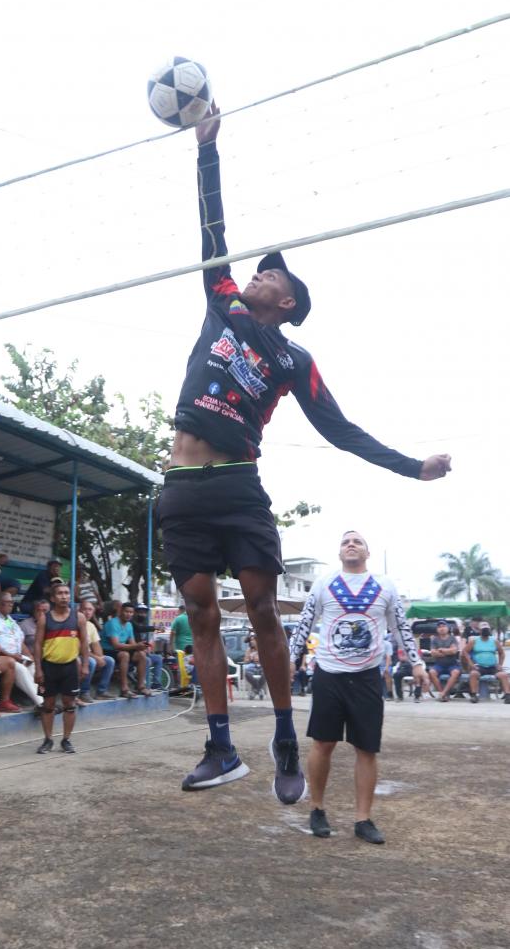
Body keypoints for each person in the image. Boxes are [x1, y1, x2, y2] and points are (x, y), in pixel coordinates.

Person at [154, 103, 451, 799]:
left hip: (237, 483)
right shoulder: (224, 304)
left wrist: (413, 468)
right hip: (182, 486)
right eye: (259, 273)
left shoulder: (294, 359)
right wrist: (206, 150)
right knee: (200, 612)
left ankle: (285, 736)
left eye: (272, 277)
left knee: (261, 607)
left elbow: (340, 429)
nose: (260, 276)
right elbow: (212, 231)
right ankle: (221, 747)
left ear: (286, 303)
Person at [289, 531, 425, 843]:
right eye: (345, 542)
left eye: (357, 541)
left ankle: (363, 819)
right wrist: (292, 658)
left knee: (366, 748)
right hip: (328, 674)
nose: (351, 544)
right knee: (323, 743)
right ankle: (317, 809)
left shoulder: (385, 585)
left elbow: (400, 626)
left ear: (367, 552)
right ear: (339, 553)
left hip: (367, 677)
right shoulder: (324, 583)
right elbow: (305, 623)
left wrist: (417, 662)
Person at [33, 582, 89, 753]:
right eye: (60, 593)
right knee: (48, 705)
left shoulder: (78, 617)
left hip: (70, 667)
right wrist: (38, 669)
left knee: (69, 704)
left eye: (66, 593)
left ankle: (66, 740)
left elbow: (84, 643)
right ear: (52, 598)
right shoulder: (44, 619)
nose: (64, 596)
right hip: (49, 667)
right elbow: (37, 645)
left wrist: (85, 665)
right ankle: (48, 740)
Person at [0, 591, 42, 708]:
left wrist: (29, 656)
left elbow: (18, 639)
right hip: (1, 657)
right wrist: (12, 656)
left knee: (34, 666)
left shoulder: (8, 619)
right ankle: (41, 703)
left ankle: (45, 699)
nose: (11, 604)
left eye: (12, 602)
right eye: (8, 602)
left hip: (17, 656)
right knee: (20, 669)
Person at [101, 602, 151, 698]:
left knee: (141, 654)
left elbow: (132, 644)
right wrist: (136, 646)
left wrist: (140, 647)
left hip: (121, 650)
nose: (129, 614)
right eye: (126, 612)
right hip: (108, 651)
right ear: (121, 611)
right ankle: (124, 689)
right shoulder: (113, 623)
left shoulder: (129, 625)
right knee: (125, 655)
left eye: (131, 612)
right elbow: (116, 645)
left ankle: (141, 687)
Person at [78, 599, 115, 702]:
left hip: (88, 654)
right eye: (85, 609)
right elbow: (80, 649)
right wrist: (96, 658)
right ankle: (84, 692)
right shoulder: (75, 624)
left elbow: (96, 645)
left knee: (109, 660)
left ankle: (101, 691)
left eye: (90, 610)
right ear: (79, 610)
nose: (87, 612)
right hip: (77, 655)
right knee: (91, 662)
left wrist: (100, 657)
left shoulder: (91, 625)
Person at [464, 623, 510, 703]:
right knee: (473, 674)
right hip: (479, 666)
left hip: (492, 666)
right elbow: (465, 651)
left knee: (503, 675)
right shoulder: (474, 641)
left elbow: (501, 653)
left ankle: (508, 696)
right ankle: (474, 695)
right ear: (480, 631)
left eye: (487, 629)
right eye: (483, 629)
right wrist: (471, 663)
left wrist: (500, 664)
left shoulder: (494, 641)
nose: (485, 631)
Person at [132, 603, 164, 691]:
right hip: (134, 653)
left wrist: (147, 647)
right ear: (135, 613)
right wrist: (155, 627)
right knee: (147, 660)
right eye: (140, 612)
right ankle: (144, 686)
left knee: (158, 658)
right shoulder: (132, 623)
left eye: (144, 613)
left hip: (143, 652)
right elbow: (139, 629)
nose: (142, 615)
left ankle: (156, 684)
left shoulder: (143, 624)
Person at [429, 620, 463, 702]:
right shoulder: (434, 639)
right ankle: (442, 693)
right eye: (439, 627)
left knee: (455, 672)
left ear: (447, 628)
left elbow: (454, 651)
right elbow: (433, 653)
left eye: (443, 626)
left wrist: (441, 650)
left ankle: (443, 693)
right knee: (431, 672)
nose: (442, 628)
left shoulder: (452, 638)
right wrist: (447, 651)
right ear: (437, 629)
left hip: (452, 664)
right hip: (439, 664)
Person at [244, 634, 266, 699]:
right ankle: (259, 689)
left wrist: (260, 659)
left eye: (253, 640)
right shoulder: (249, 650)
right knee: (247, 673)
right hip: (252, 666)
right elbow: (245, 661)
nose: (251, 641)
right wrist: (250, 659)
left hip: (261, 666)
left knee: (266, 674)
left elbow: (267, 660)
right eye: (251, 640)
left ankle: (255, 691)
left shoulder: (263, 649)